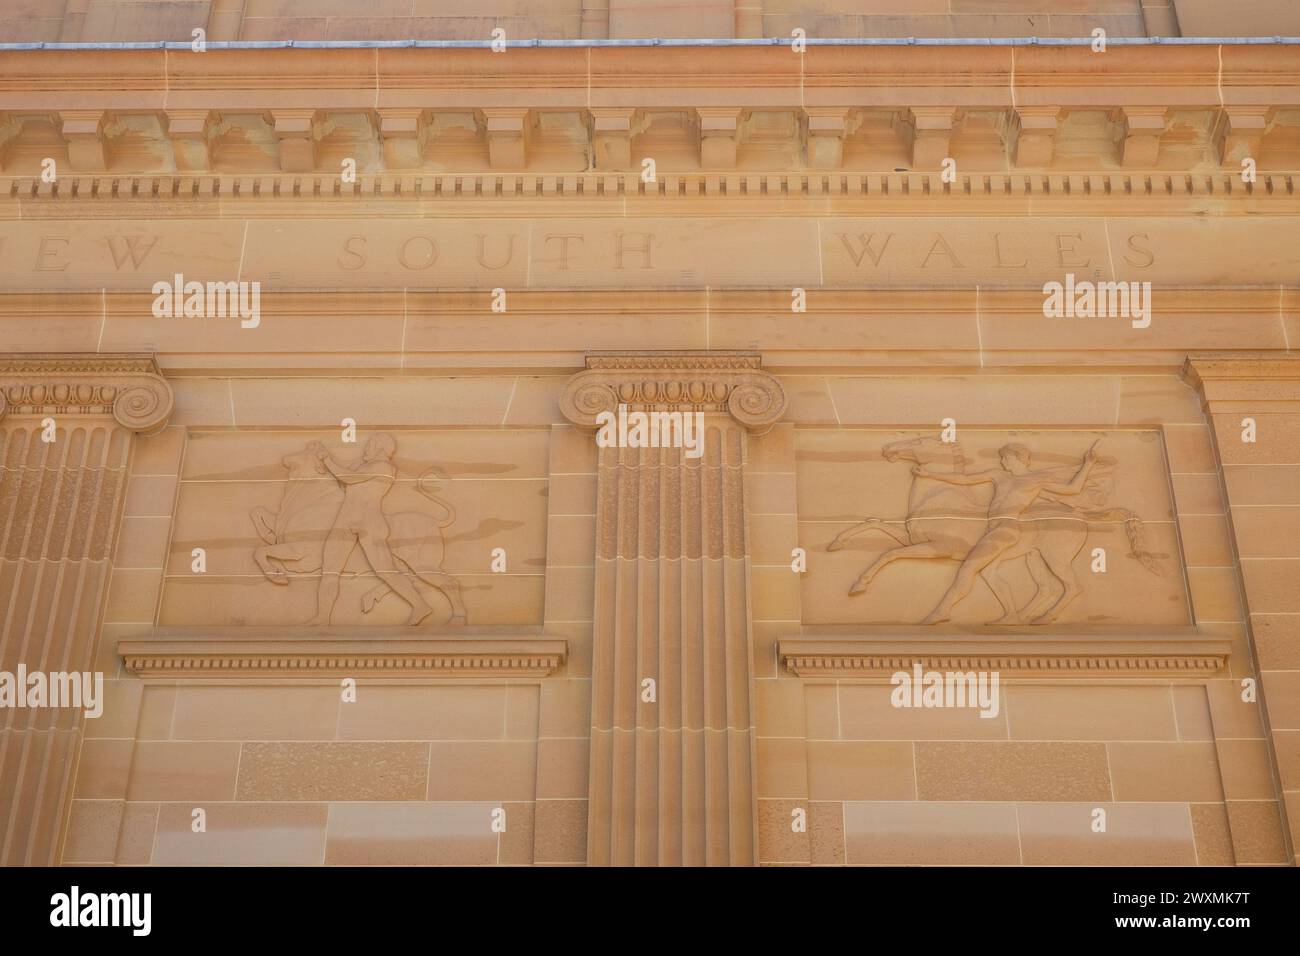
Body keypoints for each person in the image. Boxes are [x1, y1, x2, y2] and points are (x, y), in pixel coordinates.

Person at [912, 440, 1101, 625]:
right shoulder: (999, 475)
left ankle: (942, 611)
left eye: (1006, 458)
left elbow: (1072, 489)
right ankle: (1012, 615)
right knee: (988, 571)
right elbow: (966, 480)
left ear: (1018, 458)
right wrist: (930, 474)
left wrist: (1088, 464)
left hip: (1006, 530)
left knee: (969, 568)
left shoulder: (1035, 480)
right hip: (993, 529)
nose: (1003, 461)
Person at [305, 434, 434, 626]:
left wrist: (326, 458)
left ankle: (420, 605)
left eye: (371, 444)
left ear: (381, 448)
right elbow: (346, 481)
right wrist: (323, 462)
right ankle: (323, 616)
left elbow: (348, 478)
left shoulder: (383, 467)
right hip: (346, 519)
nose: (366, 448)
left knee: (385, 571)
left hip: (369, 522)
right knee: (330, 570)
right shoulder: (365, 467)